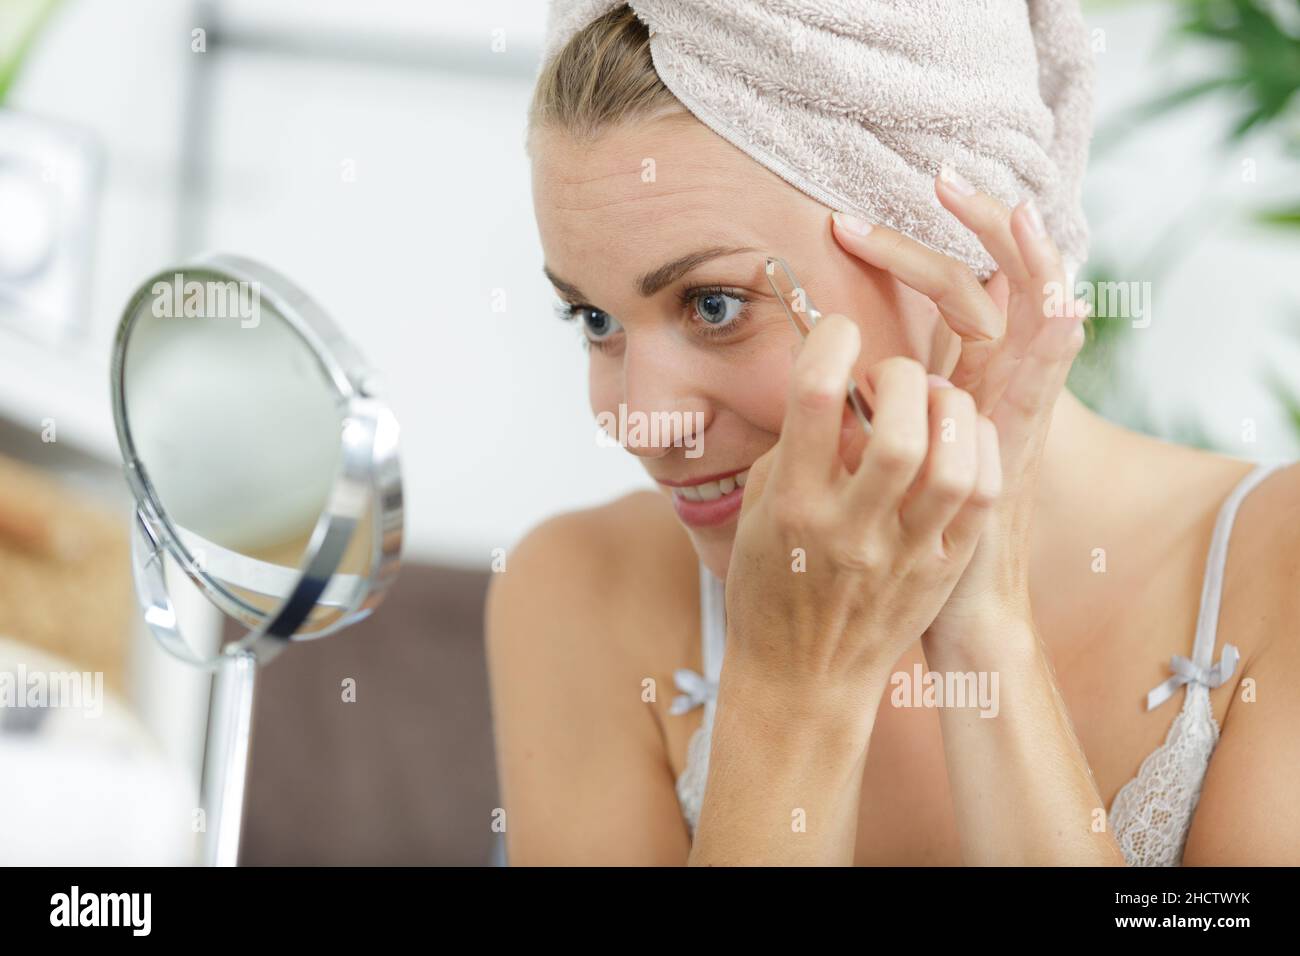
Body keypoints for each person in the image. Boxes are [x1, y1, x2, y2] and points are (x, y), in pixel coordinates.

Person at [485, 3, 1300, 865]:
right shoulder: (581, 595)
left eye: (714, 305)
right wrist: (795, 691)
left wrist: (982, 623)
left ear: (950, 247)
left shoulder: (1278, 573)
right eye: (595, 318)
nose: (639, 420)